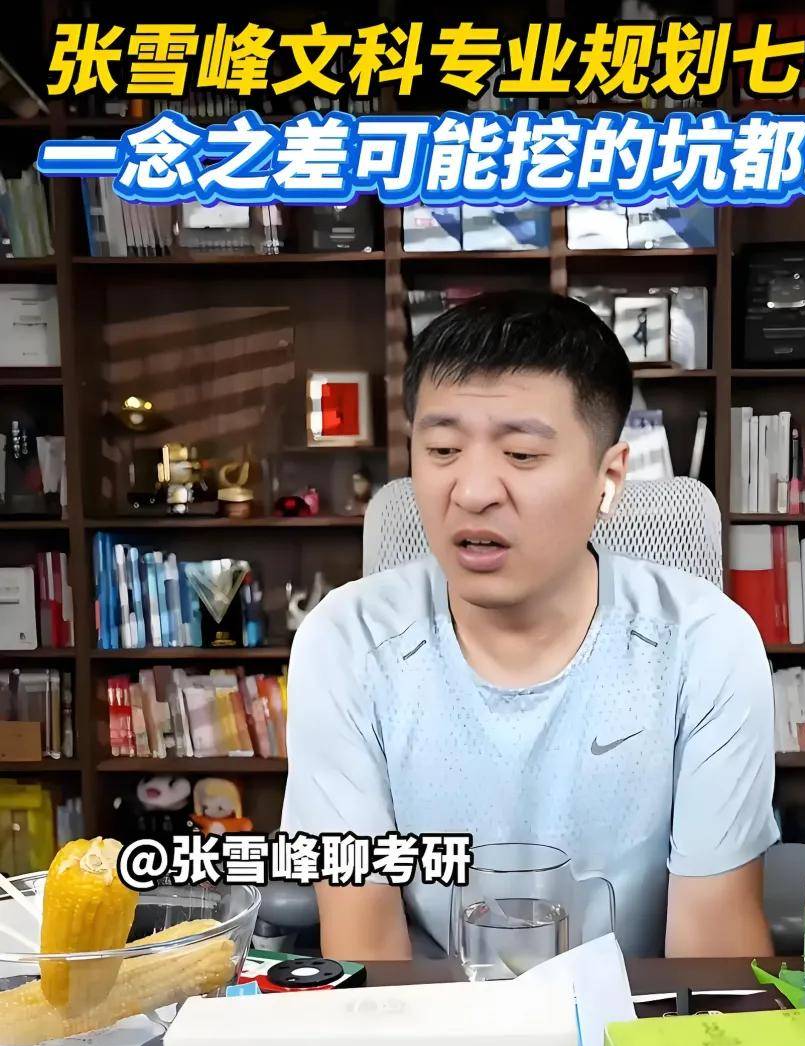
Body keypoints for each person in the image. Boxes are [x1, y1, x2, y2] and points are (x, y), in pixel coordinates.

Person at [282, 290, 778, 963]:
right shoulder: (346, 644)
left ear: (609, 478)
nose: (473, 491)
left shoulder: (705, 645)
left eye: (520, 455)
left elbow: (712, 959)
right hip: (429, 1018)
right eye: (442, 448)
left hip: (636, 1016)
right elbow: (367, 953)